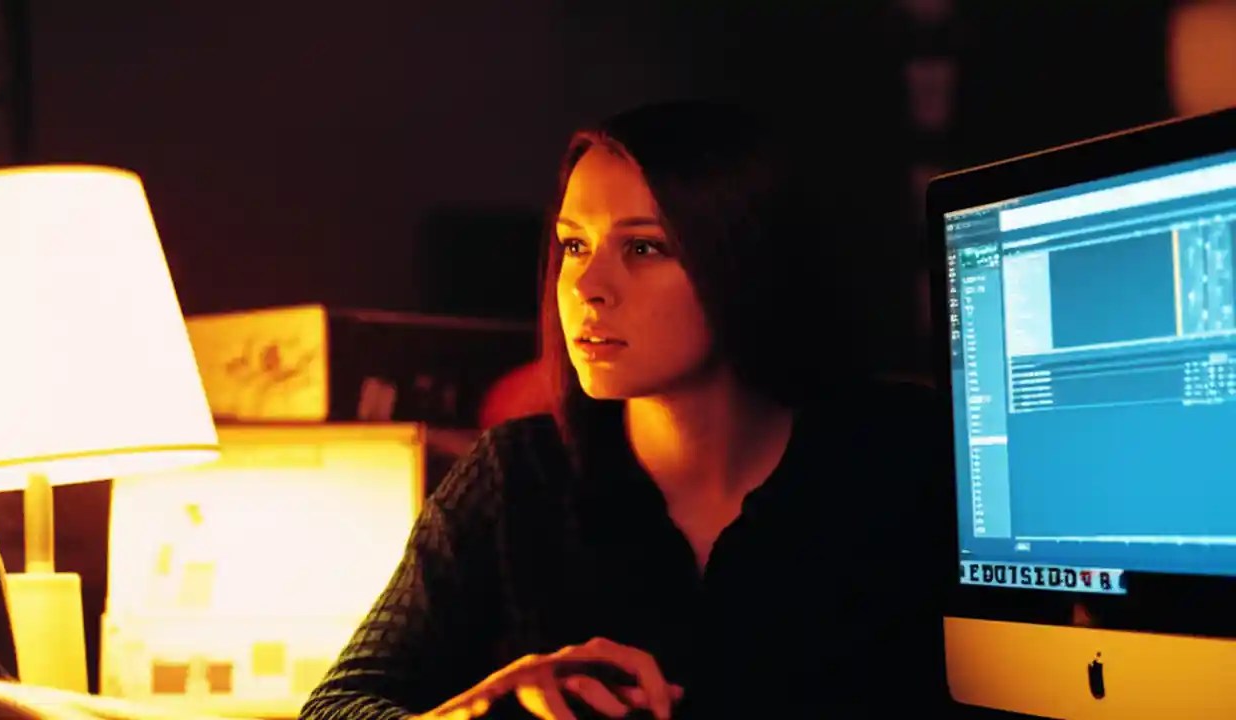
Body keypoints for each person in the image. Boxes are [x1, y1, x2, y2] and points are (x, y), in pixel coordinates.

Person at [299, 99, 955, 720]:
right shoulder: (514, 476)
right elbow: (336, 705)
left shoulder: (904, 457)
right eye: (574, 245)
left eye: (643, 248)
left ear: (743, 259)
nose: (586, 287)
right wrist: (477, 708)